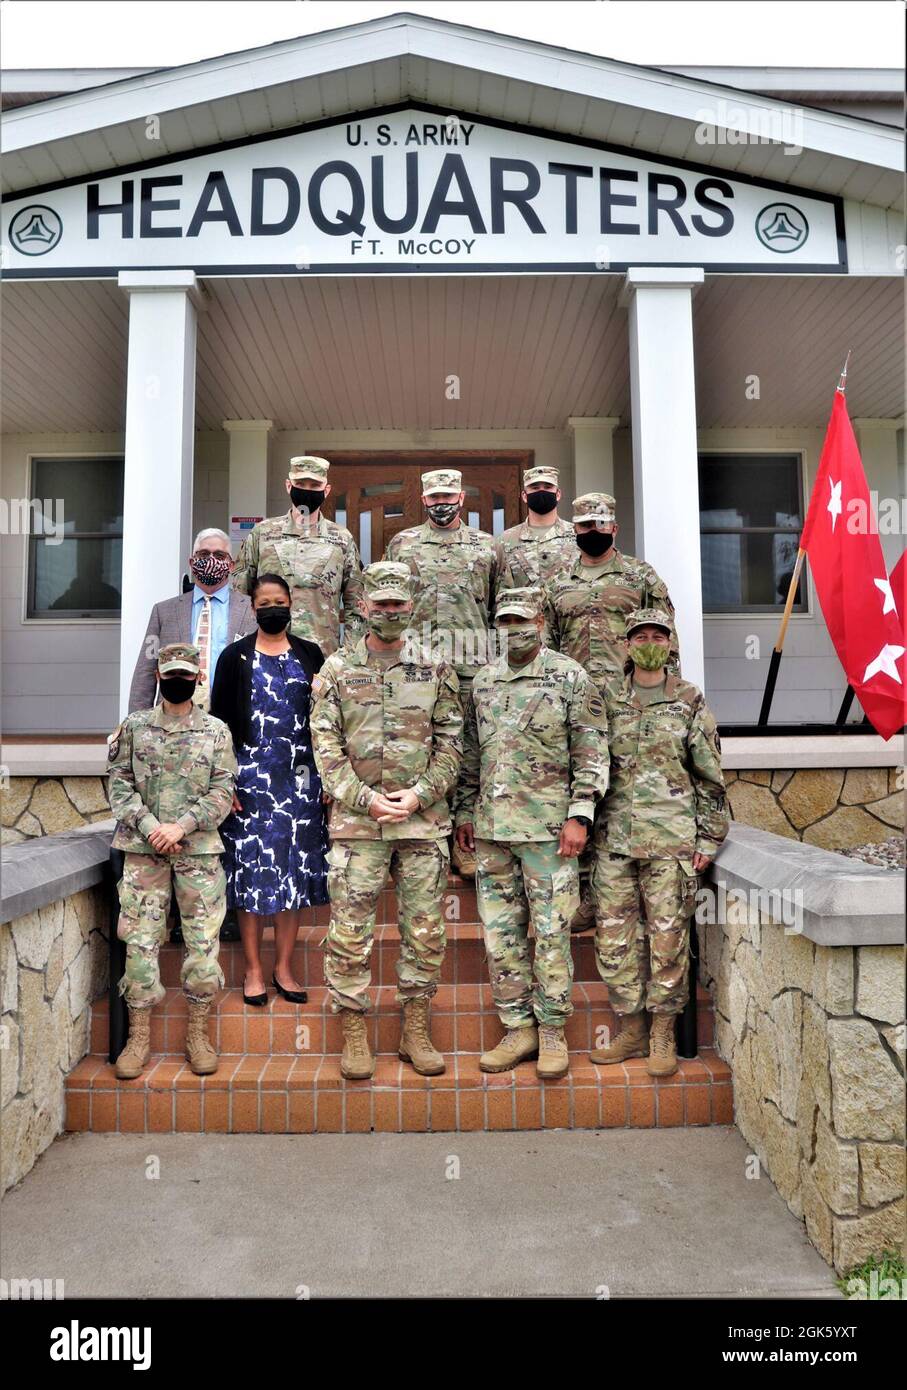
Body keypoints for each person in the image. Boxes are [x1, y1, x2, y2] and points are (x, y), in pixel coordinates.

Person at [310, 561, 463, 1080]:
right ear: (363, 606)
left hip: (421, 825)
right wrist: (364, 799)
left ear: (411, 607)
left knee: (424, 931)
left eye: (399, 604)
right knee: (350, 930)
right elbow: (325, 748)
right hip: (358, 826)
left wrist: (419, 795)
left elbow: (450, 743)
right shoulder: (335, 670)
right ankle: (355, 1030)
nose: (390, 612)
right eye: (382, 605)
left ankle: (414, 1030)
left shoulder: (436, 667)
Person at [454, 587, 609, 1079]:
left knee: (550, 934)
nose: (514, 628)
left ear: (540, 621)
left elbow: (591, 749)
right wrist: (465, 812)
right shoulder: (483, 682)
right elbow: (474, 754)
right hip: (493, 832)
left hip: (550, 832)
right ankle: (517, 1027)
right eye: (505, 621)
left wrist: (580, 815)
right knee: (501, 937)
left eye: (522, 619)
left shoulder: (568, 677)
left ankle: (551, 1032)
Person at [589, 608, 728, 1077]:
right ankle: (631, 1028)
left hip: (671, 843)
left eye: (658, 635)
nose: (649, 641)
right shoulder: (607, 697)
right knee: (614, 941)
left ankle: (663, 1030)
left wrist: (709, 838)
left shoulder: (687, 699)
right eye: (639, 635)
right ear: (626, 645)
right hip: (613, 842)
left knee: (668, 941)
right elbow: (588, 765)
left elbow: (709, 776)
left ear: (670, 643)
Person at [547, 492, 677, 932]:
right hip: (575, 705)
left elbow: (664, 642)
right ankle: (584, 894)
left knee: (622, 787)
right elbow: (546, 646)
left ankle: (625, 887)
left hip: (627, 704)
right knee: (579, 791)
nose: (594, 532)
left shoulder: (640, 576)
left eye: (602, 524)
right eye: (585, 526)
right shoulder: (557, 580)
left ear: (615, 528)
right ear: (574, 530)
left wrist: (662, 697)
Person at [107, 643, 236, 1080]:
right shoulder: (135, 727)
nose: (178, 681)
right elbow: (119, 786)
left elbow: (222, 792)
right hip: (144, 853)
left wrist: (180, 826)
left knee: (202, 947)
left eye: (186, 674)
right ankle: (138, 1037)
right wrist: (150, 828)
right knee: (140, 946)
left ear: (198, 678)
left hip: (197, 852)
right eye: (170, 674)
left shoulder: (217, 731)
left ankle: (198, 1034)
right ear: (159, 677)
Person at [210, 573, 328, 1006]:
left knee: (293, 874)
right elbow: (218, 726)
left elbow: (329, 719)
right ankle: (254, 970)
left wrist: (327, 779)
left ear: (291, 603)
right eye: (264, 602)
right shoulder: (234, 657)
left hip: (300, 780)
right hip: (250, 780)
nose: (272, 608)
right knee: (251, 874)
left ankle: (284, 967)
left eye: (279, 601)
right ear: (253, 607)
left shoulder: (311, 654)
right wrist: (224, 785)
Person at [384, 467, 496, 876]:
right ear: (423, 499)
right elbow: (386, 601)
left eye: (449, 495)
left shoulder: (486, 548)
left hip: (470, 667)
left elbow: (498, 609)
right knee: (419, 749)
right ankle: (418, 838)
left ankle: (464, 839)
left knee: (466, 755)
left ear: (462, 497)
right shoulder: (403, 544)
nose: (442, 503)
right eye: (434, 497)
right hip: (417, 670)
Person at [232, 455, 364, 656]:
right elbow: (240, 596)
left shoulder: (342, 540)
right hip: (266, 654)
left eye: (315, 485)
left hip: (323, 657)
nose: (307, 490)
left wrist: (349, 655)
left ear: (326, 490)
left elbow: (356, 604)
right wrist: (243, 651)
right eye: (300, 483)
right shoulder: (262, 534)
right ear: (288, 486)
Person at [128, 528, 257, 714]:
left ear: (231, 565)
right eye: (204, 554)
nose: (211, 560)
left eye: (219, 555)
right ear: (192, 562)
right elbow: (146, 671)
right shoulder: (164, 611)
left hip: (234, 717)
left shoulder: (251, 610)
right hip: (173, 720)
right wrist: (136, 724)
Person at [493, 465, 576, 602]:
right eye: (535, 488)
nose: (541, 492)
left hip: (567, 620)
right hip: (524, 621)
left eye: (548, 487)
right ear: (524, 496)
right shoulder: (506, 540)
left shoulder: (577, 535)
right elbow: (501, 590)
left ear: (558, 494)